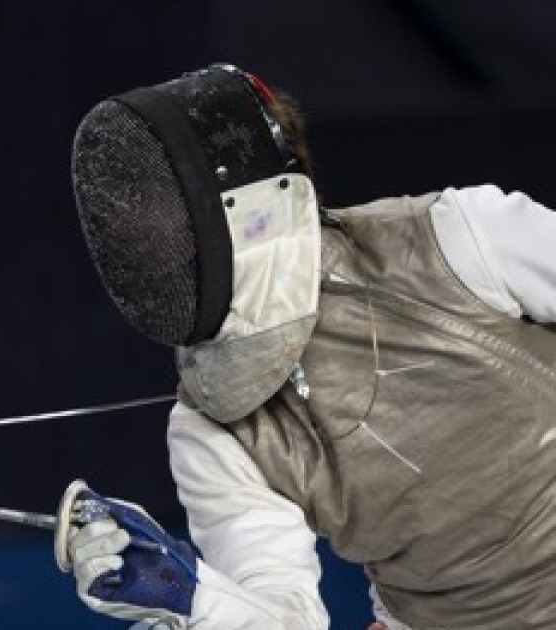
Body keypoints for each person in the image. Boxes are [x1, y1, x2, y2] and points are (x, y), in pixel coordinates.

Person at [54, 63, 556, 629]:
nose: (143, 239)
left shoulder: (458, 238)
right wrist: (192, 600)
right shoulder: (212, 429)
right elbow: (286, 618)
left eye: (160, 210)